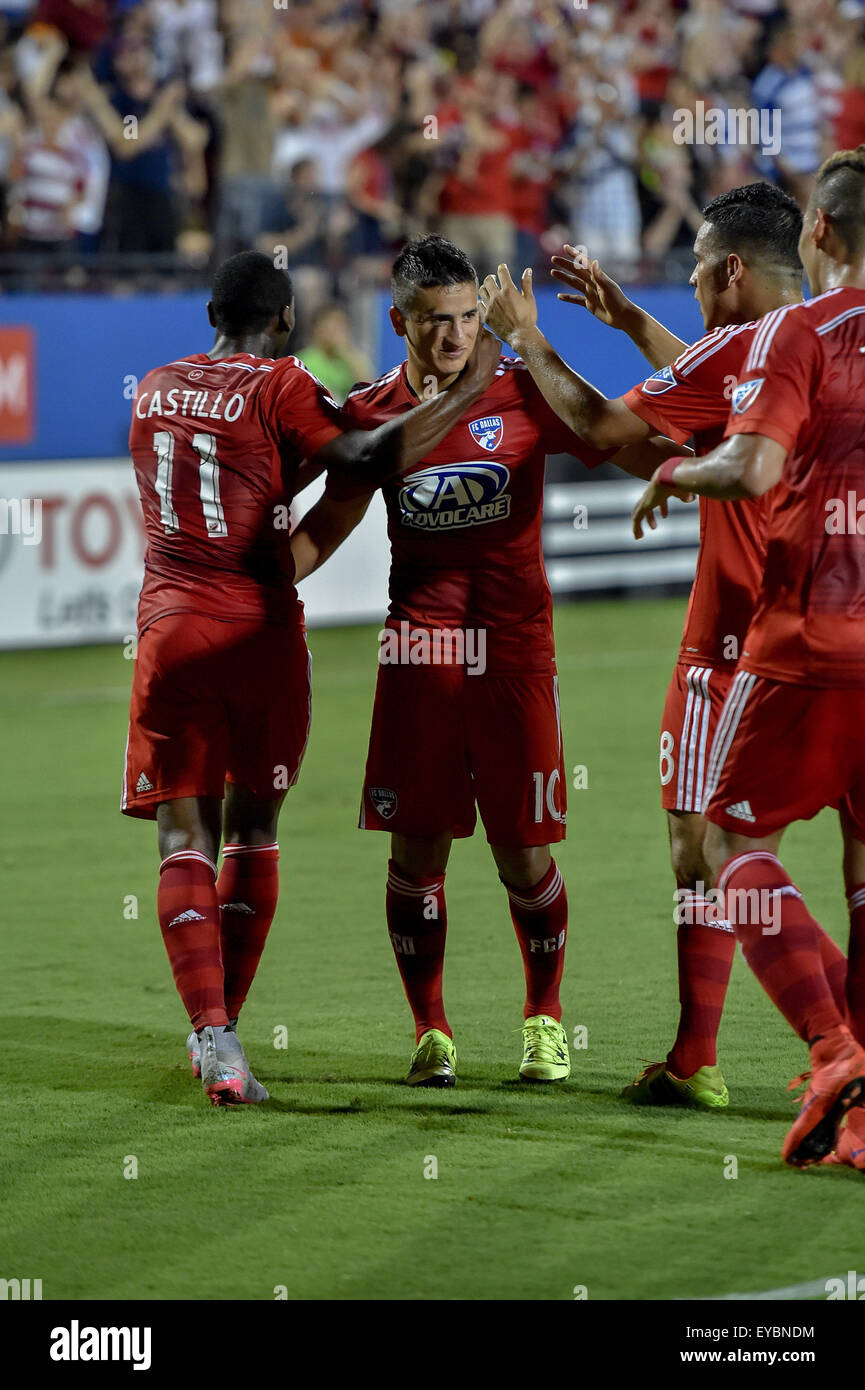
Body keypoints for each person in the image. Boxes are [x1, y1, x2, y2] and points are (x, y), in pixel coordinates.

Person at [478, 182, 849, 1110]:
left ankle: (818, 1046)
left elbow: (605, 433)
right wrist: (636, 323)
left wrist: (526, 341)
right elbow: (724, 393)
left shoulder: (758, 345)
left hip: (742, 639)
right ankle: (700, 1057)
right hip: (824, 633)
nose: (685, 283)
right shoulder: (807, 336)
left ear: (729, 268)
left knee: (708, 847)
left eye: (692, 267)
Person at [290, 235, 679, 1088]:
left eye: (468, 318)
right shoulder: (373, 415)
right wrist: (251, 584)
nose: (455, 336)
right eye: (434, 322)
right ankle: (430, 1030)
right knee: (416, 848)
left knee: (522, 851)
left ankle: (543, 1018)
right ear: (397, 320)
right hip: (417, 653)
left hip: (513, 654)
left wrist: (700, 470)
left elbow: (629, 446)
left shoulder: (525, 394)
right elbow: (326, 526)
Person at [122, 249, 500, 1106]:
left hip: (169, 623)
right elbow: (359, 457)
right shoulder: (283, 384)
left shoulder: (153, 387)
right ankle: (225, 1032)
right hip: (257, 626)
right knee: (250, 832)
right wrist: (465, 393)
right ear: (284, 321)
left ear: (208, 312)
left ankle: (214, 1034)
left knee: (183, 833)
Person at [629, 146, 865, 1169]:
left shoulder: (797, 331)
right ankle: (857, 1116)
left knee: (731, 844)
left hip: (808, 639)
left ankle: (831, 1052)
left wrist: (681, 472)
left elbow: (753, 457)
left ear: (817, 231)